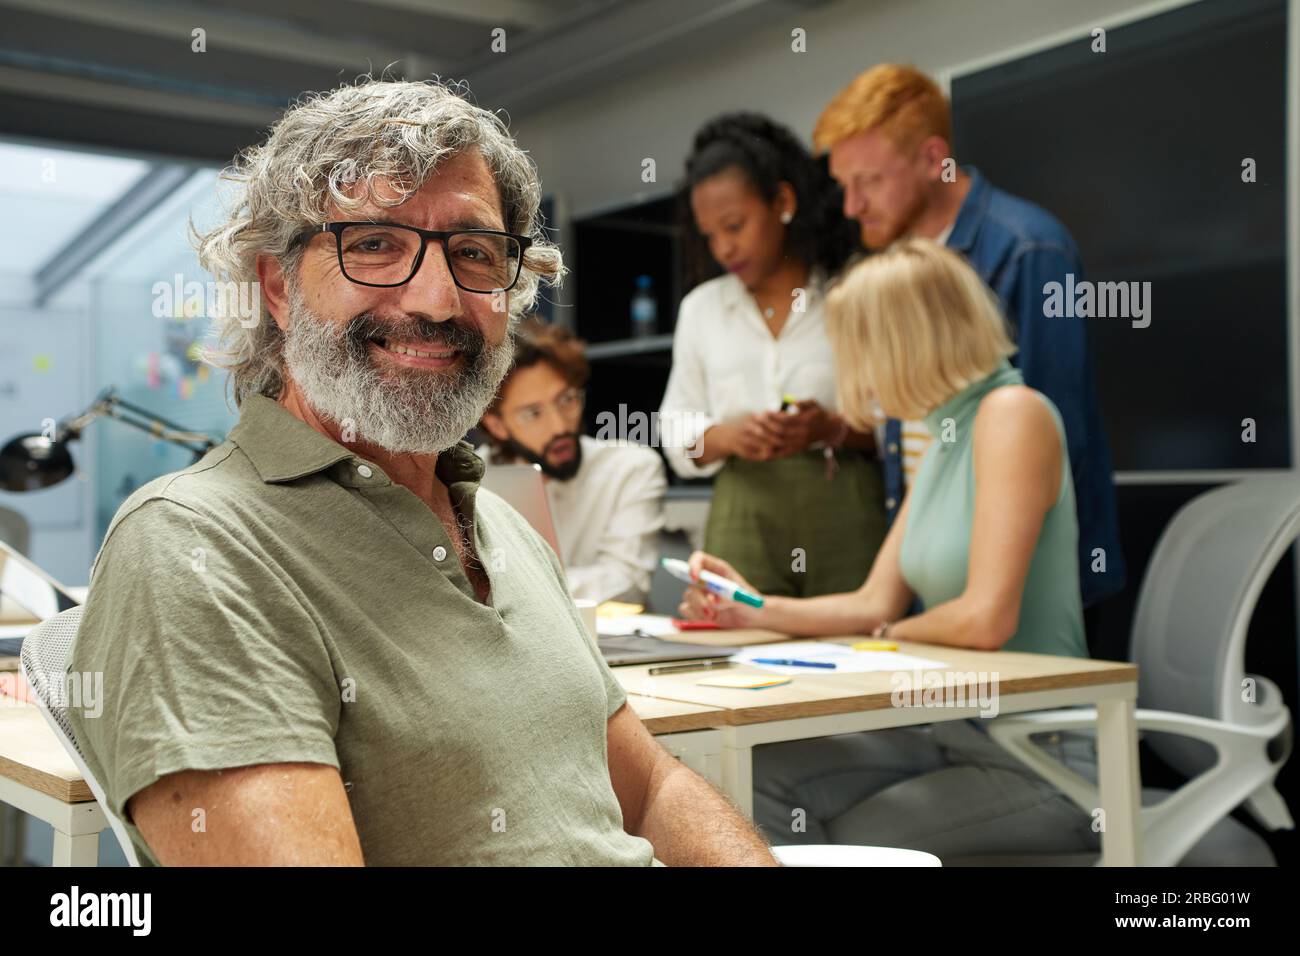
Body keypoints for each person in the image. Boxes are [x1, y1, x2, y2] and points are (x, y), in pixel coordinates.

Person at [66, 78, 775, 867]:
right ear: (276, 286)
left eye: (474, 253)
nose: (437, 300)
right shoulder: (194, 547)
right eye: (374, 244)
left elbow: (650, 793)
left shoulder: (503, 525)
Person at [678, 240, 1102, 858]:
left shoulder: (1012, 414)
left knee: (850, 847)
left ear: (904, 343)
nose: (860, 375)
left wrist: (872, 643)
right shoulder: (945, 433)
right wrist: (750, 606)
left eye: (858, 350)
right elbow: (871, 601)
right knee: (749, 787)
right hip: (955, 735)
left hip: (1043, 757)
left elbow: (985, 619)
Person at [814, 64, 1124, 641]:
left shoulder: (1029, 250)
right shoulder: (896, 264)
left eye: (869, 181)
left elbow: (1050, 426)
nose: (851, 206)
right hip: (946, 587)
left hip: (1026, 599)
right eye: (843, 185)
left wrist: (978, 596)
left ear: (934, 159)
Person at [658, 112, 886, 598]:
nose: (723, 247)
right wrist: (728, 436)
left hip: (845, 510)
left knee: (859, 651)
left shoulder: (853, 293)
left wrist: (829, 428)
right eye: (710, 234)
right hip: (745, 514)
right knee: (736, 651)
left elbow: (900, 421)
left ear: (782, 202)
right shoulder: (702, 309)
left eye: (734, 225)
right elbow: (676, 429)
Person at [477, 319, 666, 605]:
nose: (559, 426)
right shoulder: (471, 479)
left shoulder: (630, 468)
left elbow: (627, 584)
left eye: (566, 400)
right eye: (533, 413)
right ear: (497, 425)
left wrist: (515, 582)